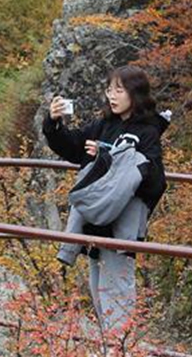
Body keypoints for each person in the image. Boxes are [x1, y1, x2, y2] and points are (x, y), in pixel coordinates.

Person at [44, 66, 168, 334]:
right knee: (98, 291)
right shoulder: (104, 125)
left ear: (135, 94)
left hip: (121, 226)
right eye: (109, 89)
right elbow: (73, 146)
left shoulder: (147, 131)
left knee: (117, 293)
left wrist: (109, 155)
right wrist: (54, 124)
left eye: (119, 90)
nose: (112, 96)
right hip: (95, 220)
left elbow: (154, 180)